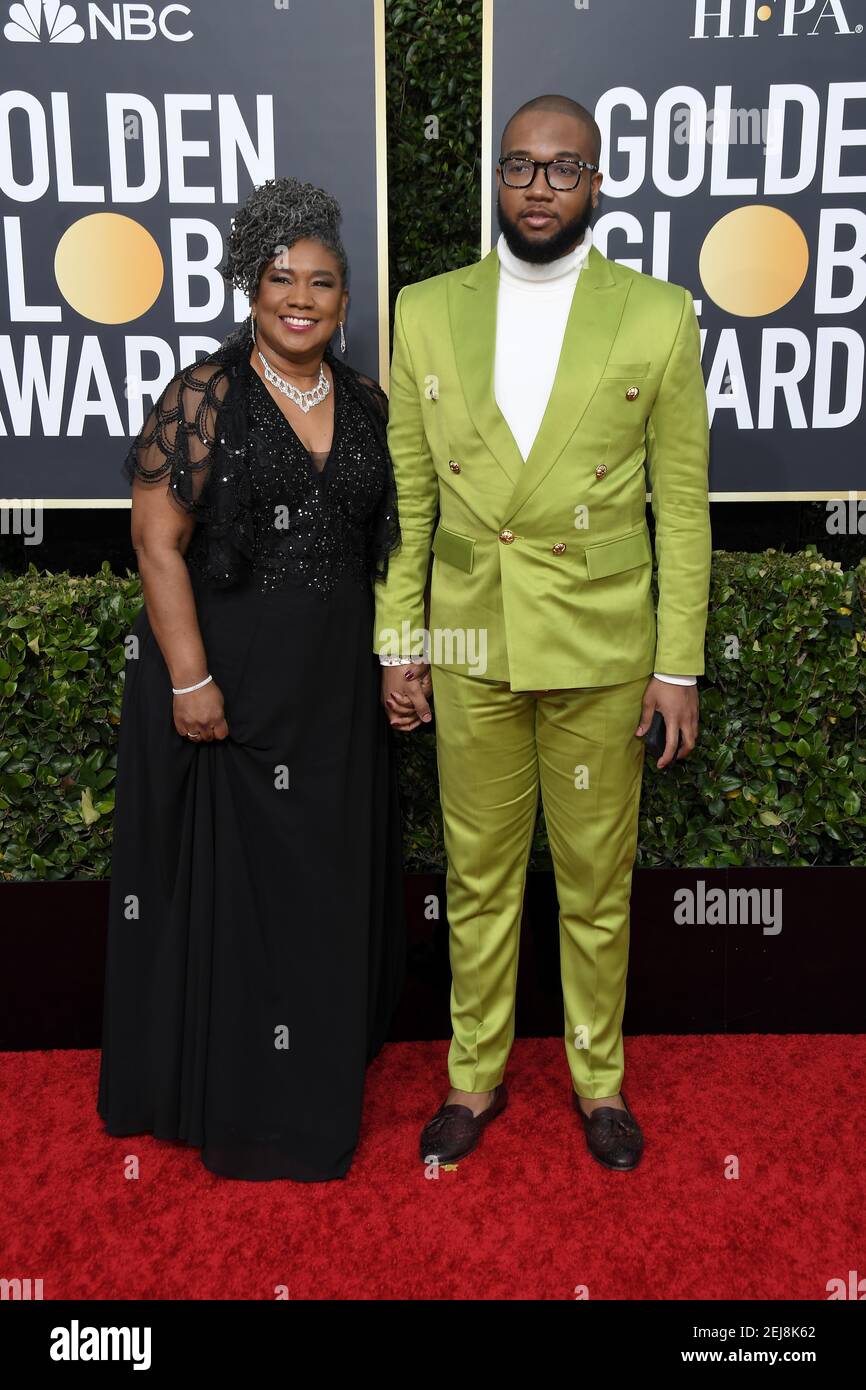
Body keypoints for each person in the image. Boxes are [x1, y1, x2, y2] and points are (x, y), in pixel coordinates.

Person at [377, 96, 711, 1172]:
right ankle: (472, 1074)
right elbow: (408, 496)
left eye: (561, 168)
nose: (536, 186)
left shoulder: (656, 314)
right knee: (473, 869)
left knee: (593, 875)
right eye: (518, 166)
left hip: (601, 642)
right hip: (471, 640)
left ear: (595, 183)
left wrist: (677, 664)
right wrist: (401, 641)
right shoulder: (424, 309)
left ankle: (597, 1078)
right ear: (496, 178)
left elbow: (684, 507)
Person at [97, 176, 406, 1181]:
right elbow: (155, 541)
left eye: (322, 282)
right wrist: (189, 680)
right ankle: (237, 1097)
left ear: (346, 301)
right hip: (227, 682)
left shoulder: (367, 403)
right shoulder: (206, 393)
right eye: (282, 279)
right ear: (251, 288)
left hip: (332, 696)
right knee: (237, 893)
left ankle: (313, 1073)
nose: (301, 298)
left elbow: (393, 545)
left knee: (317, 888)